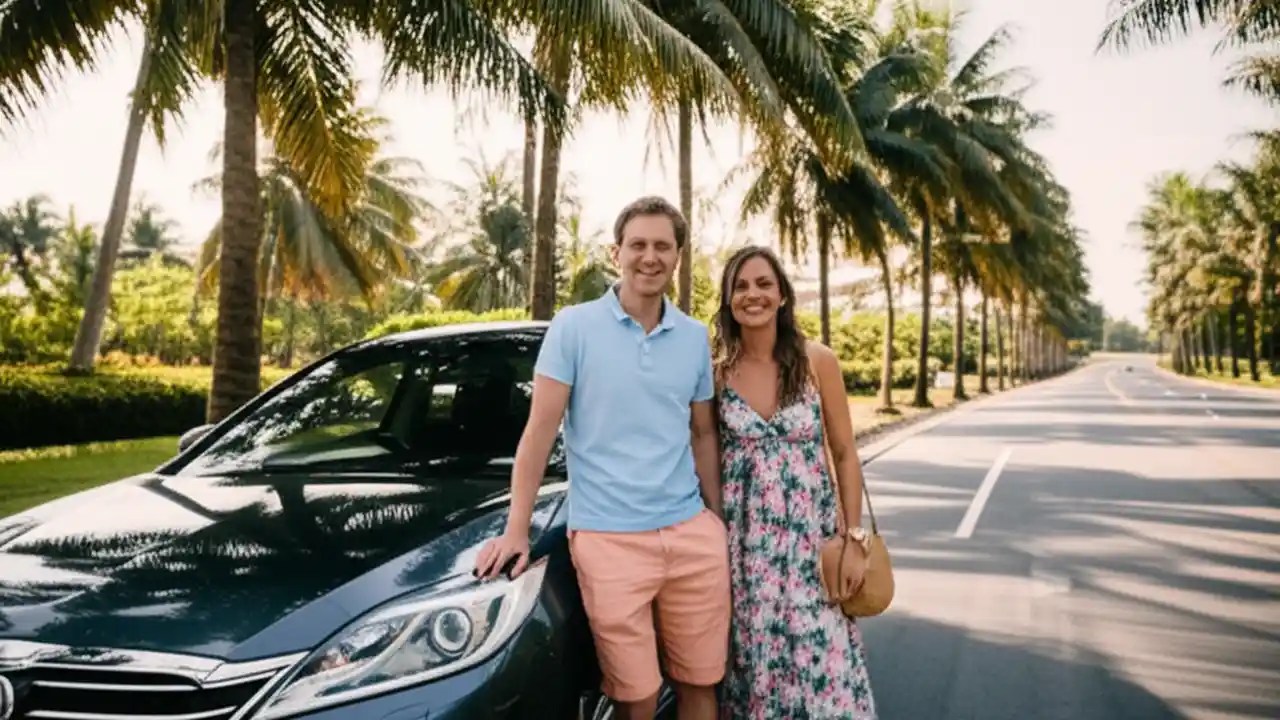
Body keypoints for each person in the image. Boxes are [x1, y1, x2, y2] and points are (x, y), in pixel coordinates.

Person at [473, 196, 730, 720]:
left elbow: (703, 434)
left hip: (690, 536)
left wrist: (716, 518)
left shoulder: (693, 338)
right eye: (638, 245)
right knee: (633, 696)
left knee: (701, 685)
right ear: (617, 253)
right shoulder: (574, 327)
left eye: (663, 246)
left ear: (678, 255)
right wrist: (516, 530)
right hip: (608, 541)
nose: (650, 256)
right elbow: (539, 432)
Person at [712, 244, 878, 719]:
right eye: (740, 286)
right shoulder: (717, 374)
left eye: (764, 283)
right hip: (748, 558)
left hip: (814, 548)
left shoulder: (816, 361)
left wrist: (853, 541)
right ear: (728, 300)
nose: (753, 294)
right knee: (759, 678)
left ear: (783, 294)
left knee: (824, 674)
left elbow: (845, 454)